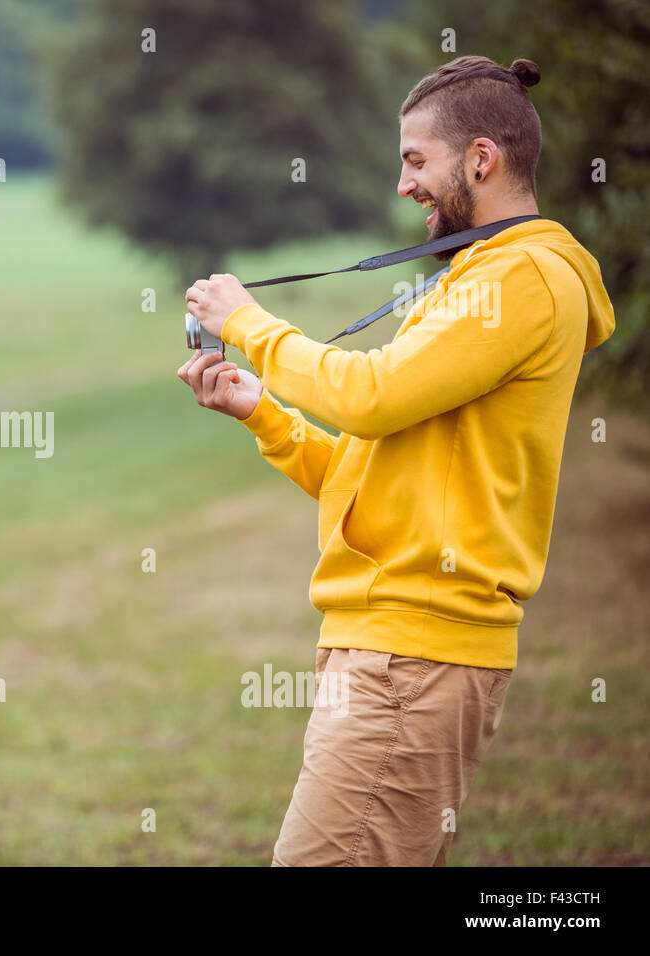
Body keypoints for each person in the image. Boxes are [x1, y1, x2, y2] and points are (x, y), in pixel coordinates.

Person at [177, 56, 616, 865]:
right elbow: (372, 465)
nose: (404, 184)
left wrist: (249, 324)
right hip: (391, 649)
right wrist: (262, 412)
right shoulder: (478, 276)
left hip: (414, 656)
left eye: (417, 160)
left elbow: (369, 395)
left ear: (480, 159)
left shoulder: (520, 278)